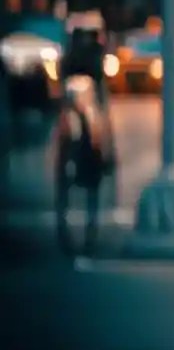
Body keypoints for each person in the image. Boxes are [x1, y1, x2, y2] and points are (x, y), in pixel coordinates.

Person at [54, 75, 112, 258]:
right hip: (77, 162)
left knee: (88, 199)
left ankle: (88, 235)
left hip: (88, 162)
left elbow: (98, 140)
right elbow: (68, 143)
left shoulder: (91, 114)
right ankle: (69, 236)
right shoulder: (73, 117)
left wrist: (104, 158)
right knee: (69, 200)